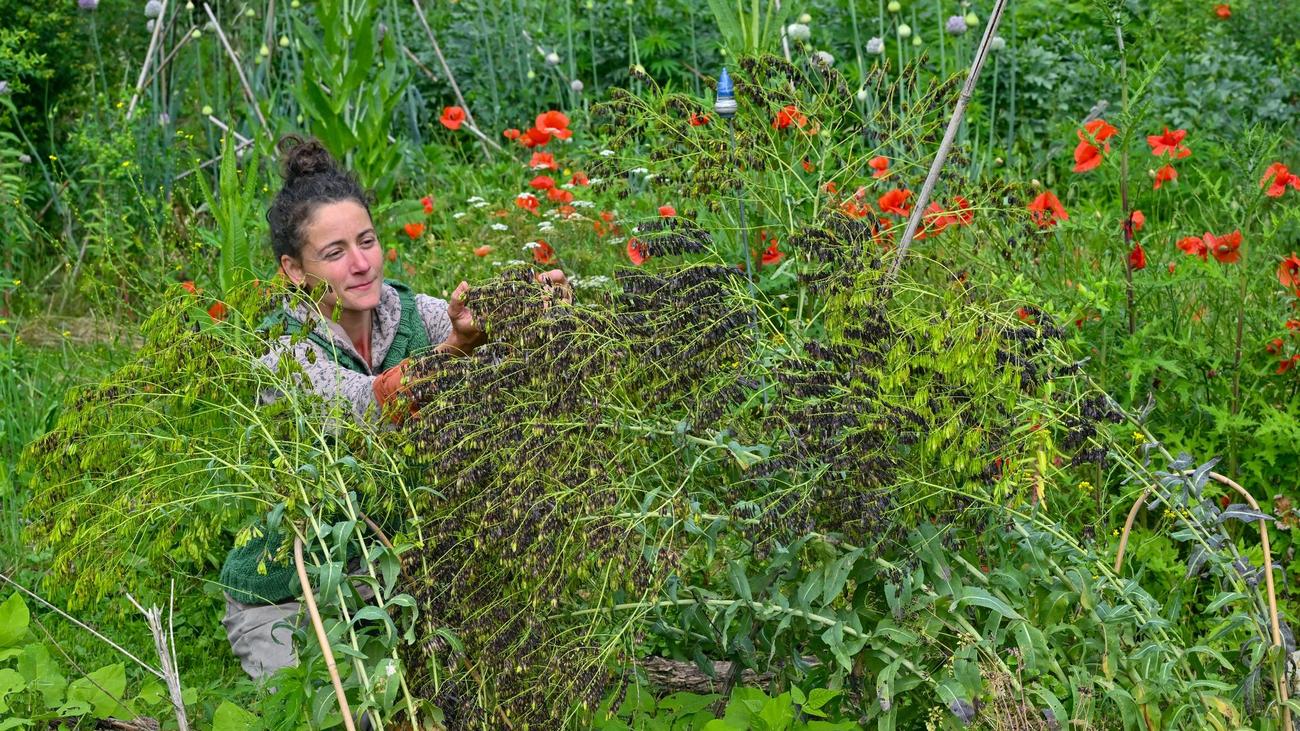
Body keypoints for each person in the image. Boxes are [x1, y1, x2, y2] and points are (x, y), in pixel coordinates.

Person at [220, 135, 565, 680]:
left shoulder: (409, 314)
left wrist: (532, 318)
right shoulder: (283, 354)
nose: (361, 264)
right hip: (294, 590)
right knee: (326, 702)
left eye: (367, 241)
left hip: (396, 573)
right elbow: (367, 406)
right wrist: (454, 351)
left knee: (472, 682)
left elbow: (495, 359)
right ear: (294, 270)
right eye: (335, 253)